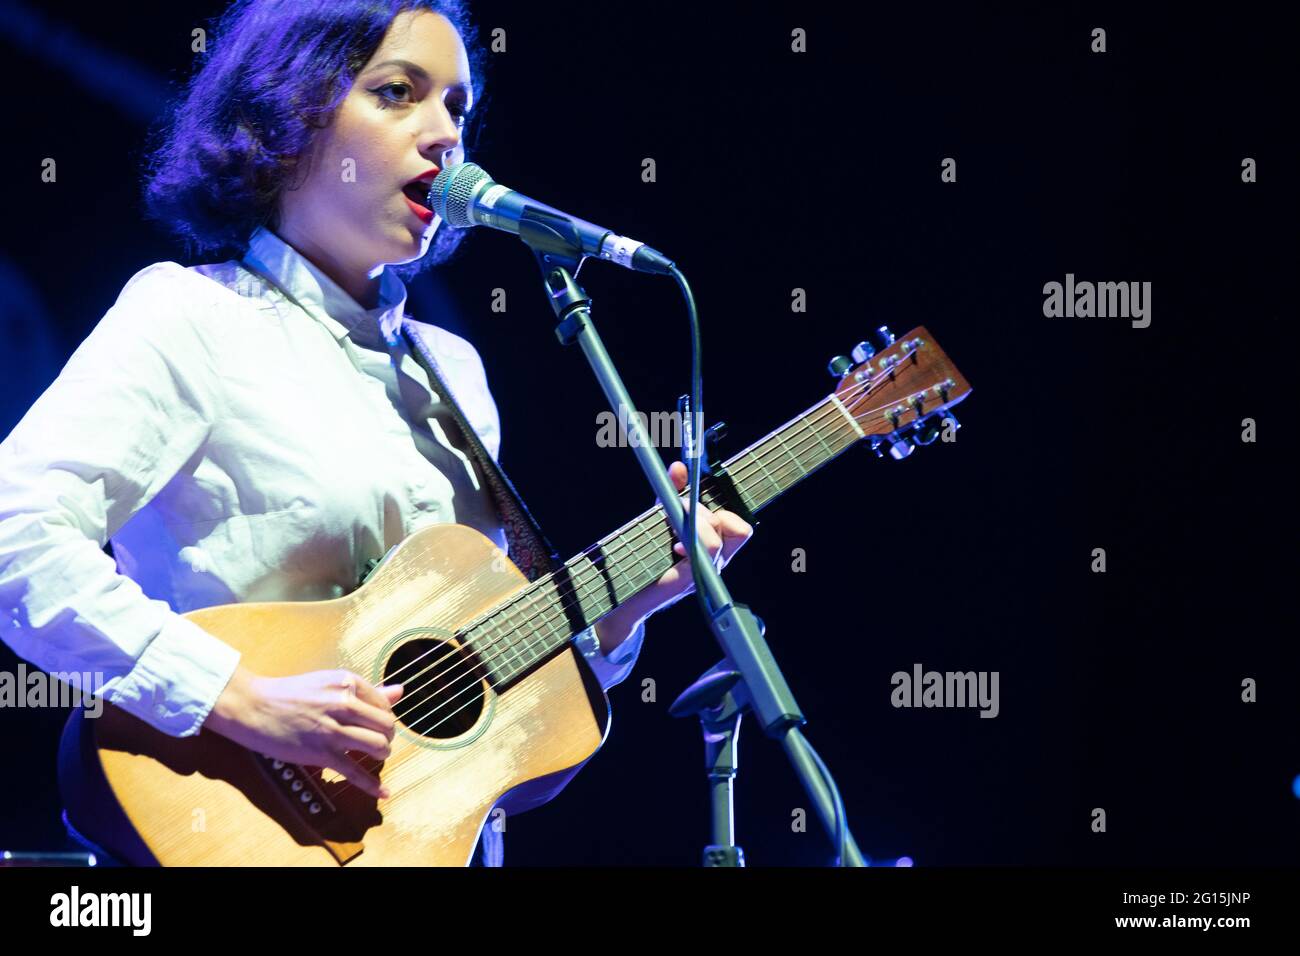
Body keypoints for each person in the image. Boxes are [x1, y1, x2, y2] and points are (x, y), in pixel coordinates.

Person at [0, 0, 752, 866]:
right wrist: (237, 697)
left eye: (459, 108)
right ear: (290, 114)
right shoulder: (191, 316)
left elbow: (484, 702)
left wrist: (626, 608)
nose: (445, 136)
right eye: (399, 92)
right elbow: (19, 534)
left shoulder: (453, 371)